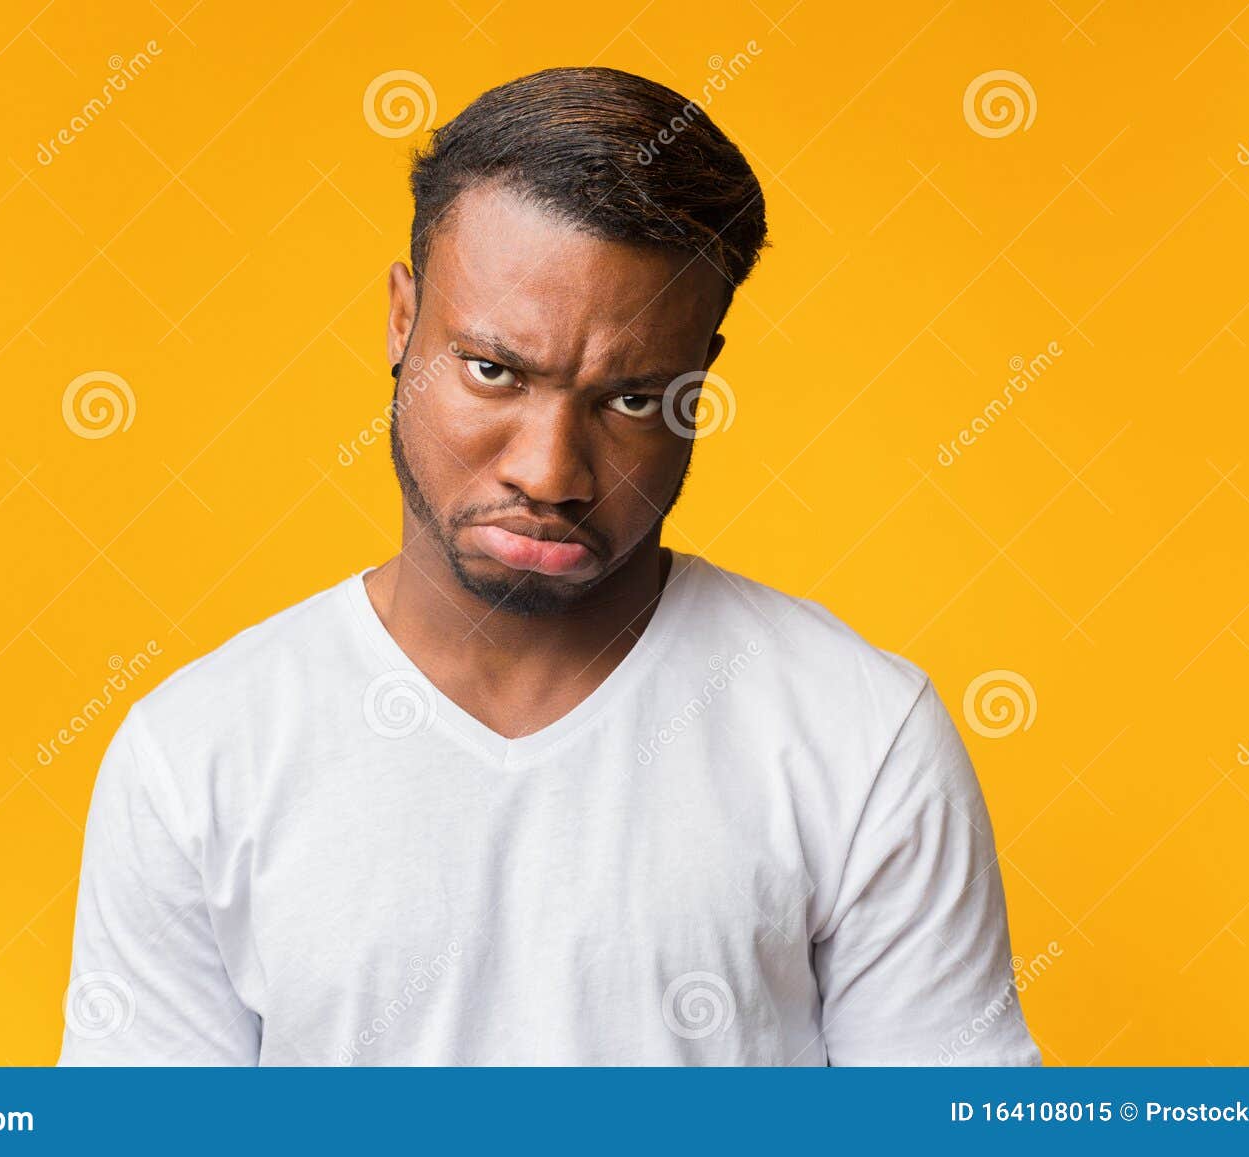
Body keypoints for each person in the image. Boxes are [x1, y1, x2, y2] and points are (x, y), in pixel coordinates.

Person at [58, 66, 1042, 1066]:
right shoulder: (197, 756)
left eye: (627, 398)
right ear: (402, 319)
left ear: (698, 380)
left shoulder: (857, 736)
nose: (548, 470)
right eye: (494, 370)